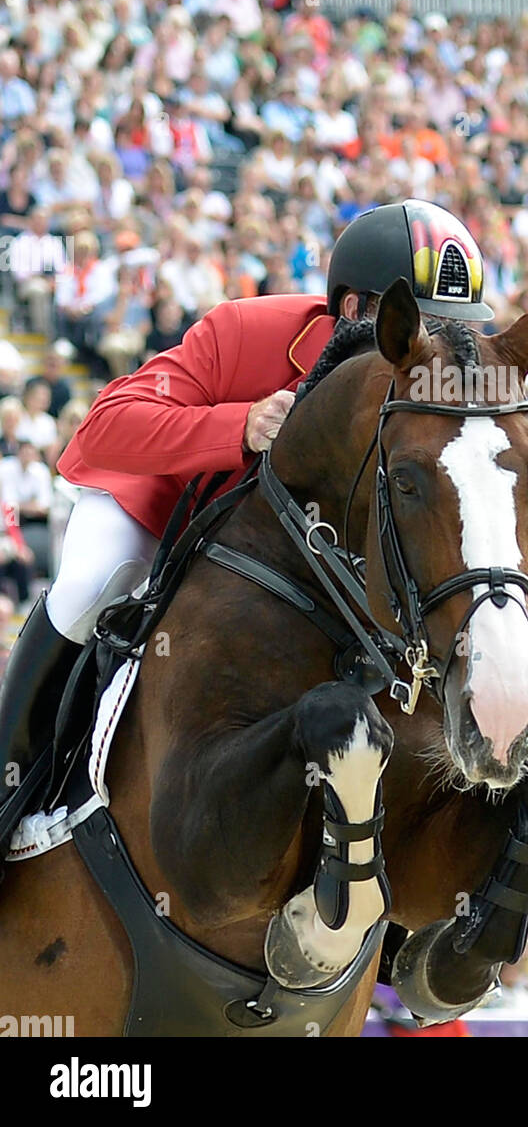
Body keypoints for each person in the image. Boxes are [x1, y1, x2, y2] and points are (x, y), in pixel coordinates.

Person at [0, 200, 495, 852]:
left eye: (450, 329)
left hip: (270, 556)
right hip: (157, 505)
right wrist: (237, 424)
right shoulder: (249, 329)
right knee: (95, 580)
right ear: (353, 311)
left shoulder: (428, 405)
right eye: (420, 323)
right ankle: (12, 785)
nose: (435, 349)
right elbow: (106, 421)